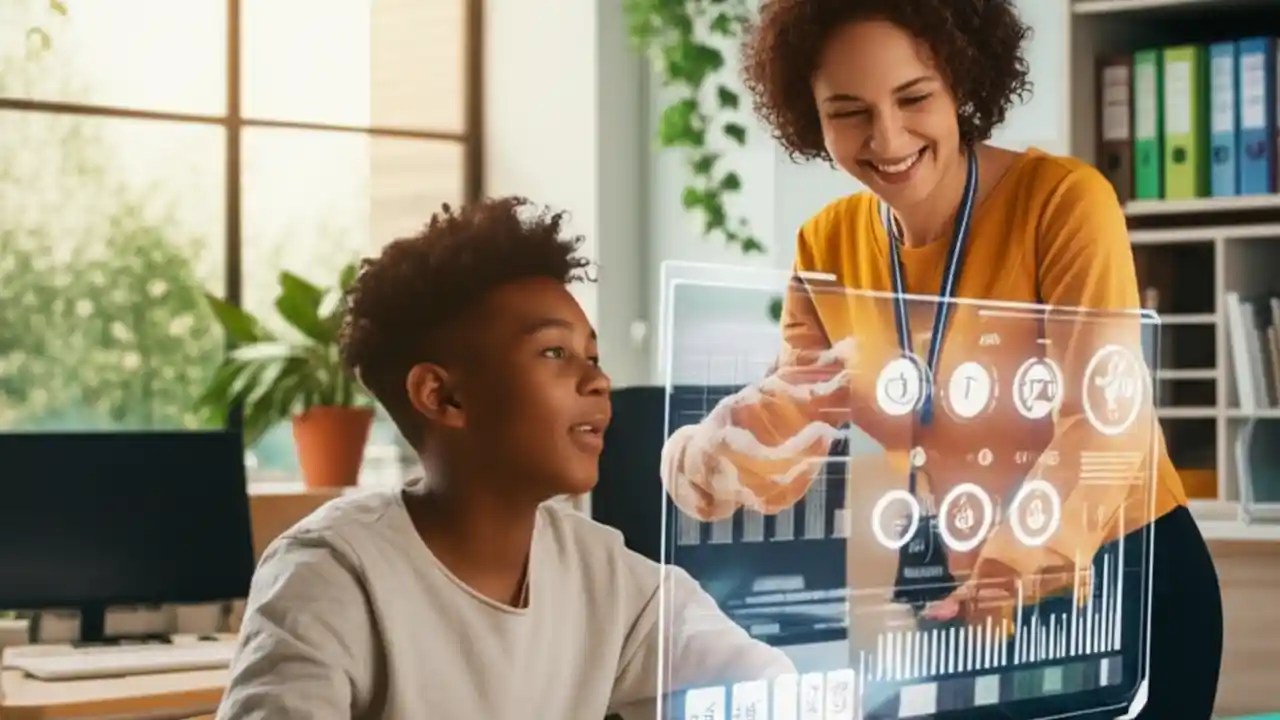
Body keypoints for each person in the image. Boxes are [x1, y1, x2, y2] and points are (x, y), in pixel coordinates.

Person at [660, 1, 1222, 718]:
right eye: (848, 111)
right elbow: (797, 422)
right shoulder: (825, 245)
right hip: (960, 596)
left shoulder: (1064, 203)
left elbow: (1105, 421)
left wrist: (1016, 561)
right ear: (811, 115)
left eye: (915, 97)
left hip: (1121, 573)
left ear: (962, 79)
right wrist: (713, 454)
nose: (887, 137)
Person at [215, 196, 793, 719]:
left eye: (592, 354)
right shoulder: (330, 574)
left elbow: (776, 693)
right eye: (554, 352)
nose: (598, 380)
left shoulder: (605, 575)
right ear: (442, 396)